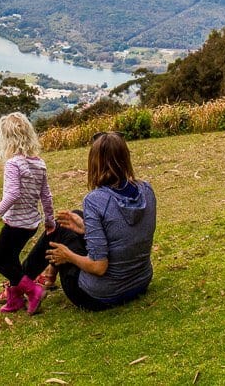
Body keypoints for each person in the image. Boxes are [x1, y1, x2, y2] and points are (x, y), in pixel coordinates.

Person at [22, 131, 156, 311]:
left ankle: (19, 282)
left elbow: (99, 267)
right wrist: (86, 229)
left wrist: (67, 255)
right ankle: (41, 276)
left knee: (60, 229)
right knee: (73, 217)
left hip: (98, 296)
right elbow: (125, 232)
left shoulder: (95, 200)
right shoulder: (146, 190)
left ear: (95, 162)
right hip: (140, 281)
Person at [0, 112, 55, 314]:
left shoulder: (13, 164)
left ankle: (33, 290)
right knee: (11, 260)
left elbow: (12, 194)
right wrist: (49, 220)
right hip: (31, 223)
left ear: (6, 139)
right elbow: (46, 195)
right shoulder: (39, 163)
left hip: (15, 224)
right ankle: (14, 300)